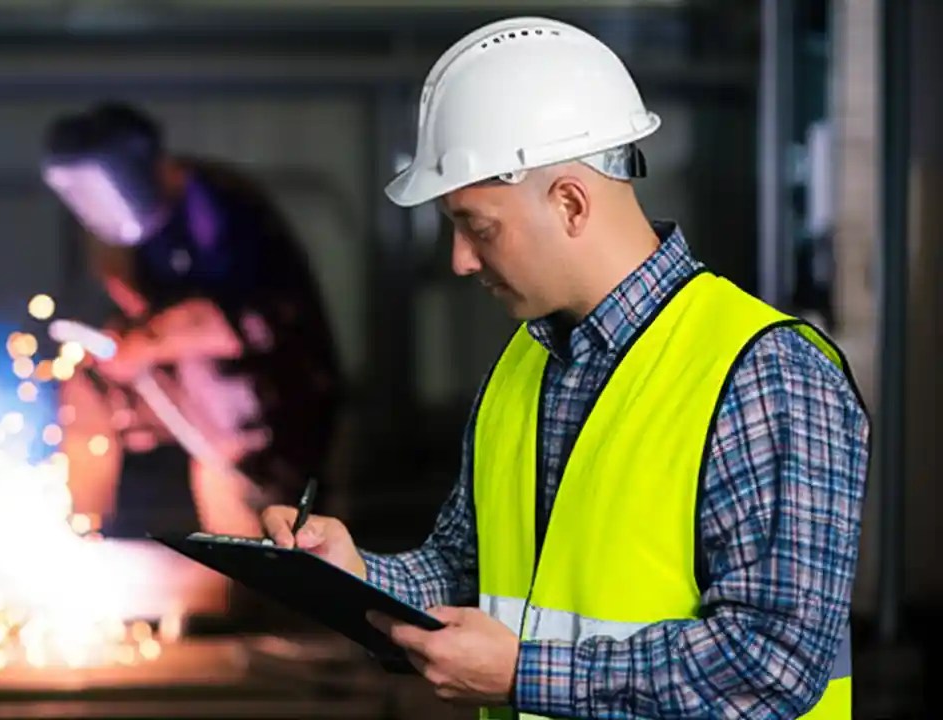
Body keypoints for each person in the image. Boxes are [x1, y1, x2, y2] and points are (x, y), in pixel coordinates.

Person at [262, 16, 868, 719]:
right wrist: (356, 576)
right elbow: (469, 573)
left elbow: (773, 662)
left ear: (571, 203)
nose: (460, 261)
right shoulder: (526, 362)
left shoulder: (766, 374)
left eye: (478, 227)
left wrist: (522, 674)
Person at [41, 102, 343, 542]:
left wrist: (144, 342)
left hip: (267, 398)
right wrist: (127, 327)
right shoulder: (131, 227)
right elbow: (135, 298)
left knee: (228, 482)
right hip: (190, 380)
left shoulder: (216, 205)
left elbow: (235, 323)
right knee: (86, 383)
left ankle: (252, 565)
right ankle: (81, 535)